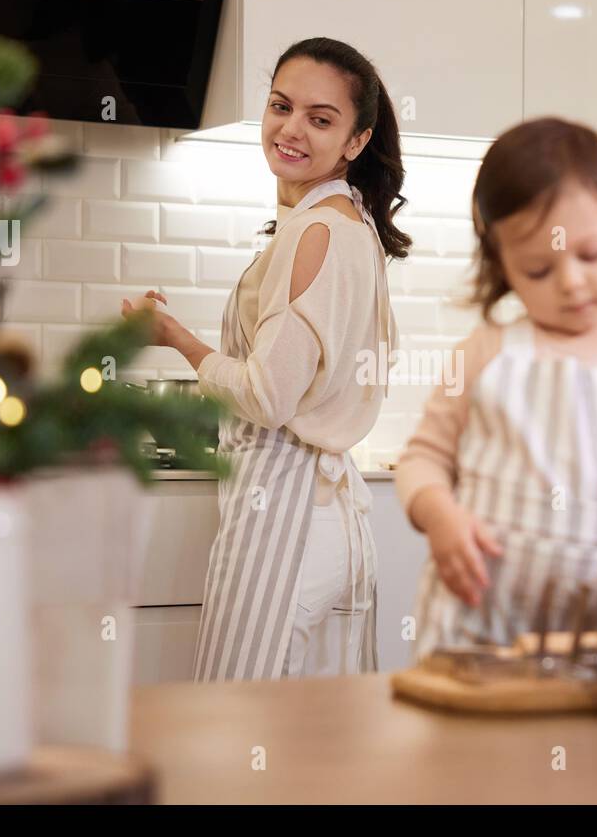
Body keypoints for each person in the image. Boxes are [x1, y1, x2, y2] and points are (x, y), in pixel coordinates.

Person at [123, 38, 409, 680]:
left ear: (356, 141)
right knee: (309, 741)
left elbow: (266, 397)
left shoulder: (317, 231)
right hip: (325, 514)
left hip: (286, 514)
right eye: (281, 105)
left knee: (234, 722)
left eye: (321, 118)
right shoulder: (347, 222)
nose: (291, 128)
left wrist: (176, 337)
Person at [394, 117, 597, 656]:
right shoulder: (486, 352)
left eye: (589, 255)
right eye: (539, 269)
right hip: (469, 632)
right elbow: (421, 460)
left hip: (584, 638)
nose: (570, 282)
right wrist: (441, 517)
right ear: (505, 268)